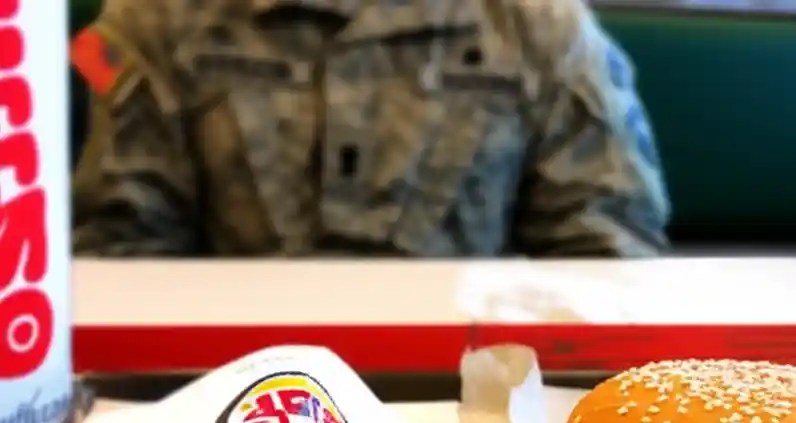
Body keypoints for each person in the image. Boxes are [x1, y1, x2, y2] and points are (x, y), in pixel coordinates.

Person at [70, 0, 670, 258]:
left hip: (465, 393)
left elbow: (607, 256)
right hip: (217, 398)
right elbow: (122, 254)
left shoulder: (536, 25)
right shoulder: (157, 21)